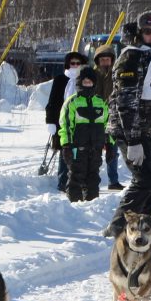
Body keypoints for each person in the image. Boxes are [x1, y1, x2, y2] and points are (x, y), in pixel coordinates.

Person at [103, 9, 151, 236]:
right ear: (140, 32)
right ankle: (118, 226)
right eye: (148, 31)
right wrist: (133, 141)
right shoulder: (133, 56)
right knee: (145, 179)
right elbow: (127, 103)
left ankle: (145, 226)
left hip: (145, 130)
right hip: (128, 130)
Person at [59, 64, 108, 202]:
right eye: (84, 82)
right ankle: (74, 205)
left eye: (90, 82)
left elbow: (107, 124)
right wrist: (66, 145)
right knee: (76, 175)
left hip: (96, 148)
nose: (87, 84)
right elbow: (66, 125)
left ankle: (92, 203)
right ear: (79, 82)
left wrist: (109, 143)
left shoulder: (100, 102)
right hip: (77, 148)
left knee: (93, 177)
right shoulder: (72, 102)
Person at [45, 50, 86, 198]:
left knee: (80, 153)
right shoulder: (60, 80)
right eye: (72, 63)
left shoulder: (86, 79)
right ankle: (62, 182)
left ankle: (78, 182)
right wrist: (50, 120)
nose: (75, 66)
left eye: (78, 63)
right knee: (65, 151)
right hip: (63, 122)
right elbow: (52, 101)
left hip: (82, 122)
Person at [91, 43, 124, 189]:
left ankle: (113, 181)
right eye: (102, 59)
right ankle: (93, 180)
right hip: (95, 118)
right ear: (98, 60)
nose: (105, 62)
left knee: (112, 151)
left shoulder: (116, 74)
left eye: (107, 59)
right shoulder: (92, 75)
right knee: (95, 151)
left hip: (112, 117)